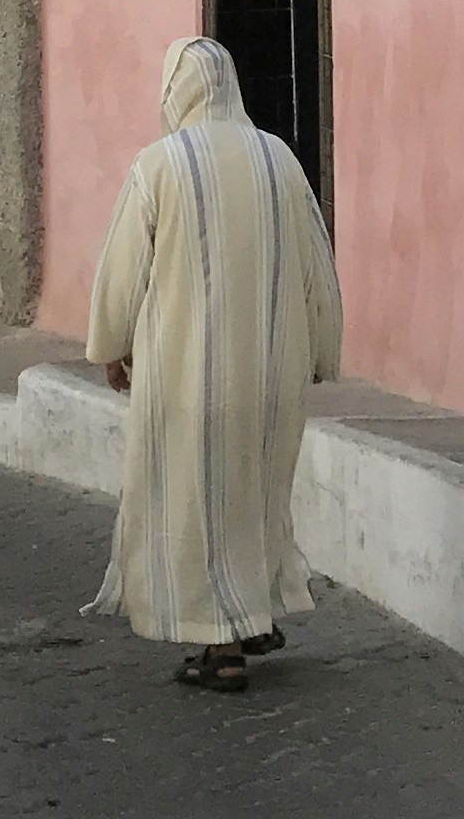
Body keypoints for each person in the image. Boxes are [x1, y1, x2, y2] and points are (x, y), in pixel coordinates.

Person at [84, 35, 344, 691]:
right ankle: (252, 614)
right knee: (255, 496)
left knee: (195, 501)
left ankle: (221, 648)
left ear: (178, 92)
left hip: (188, 374)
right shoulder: (278, 158)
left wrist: (110, 345)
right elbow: (317, 261)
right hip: (270, 371)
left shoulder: (161, 164)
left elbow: (122, 271)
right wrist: (322, 350)